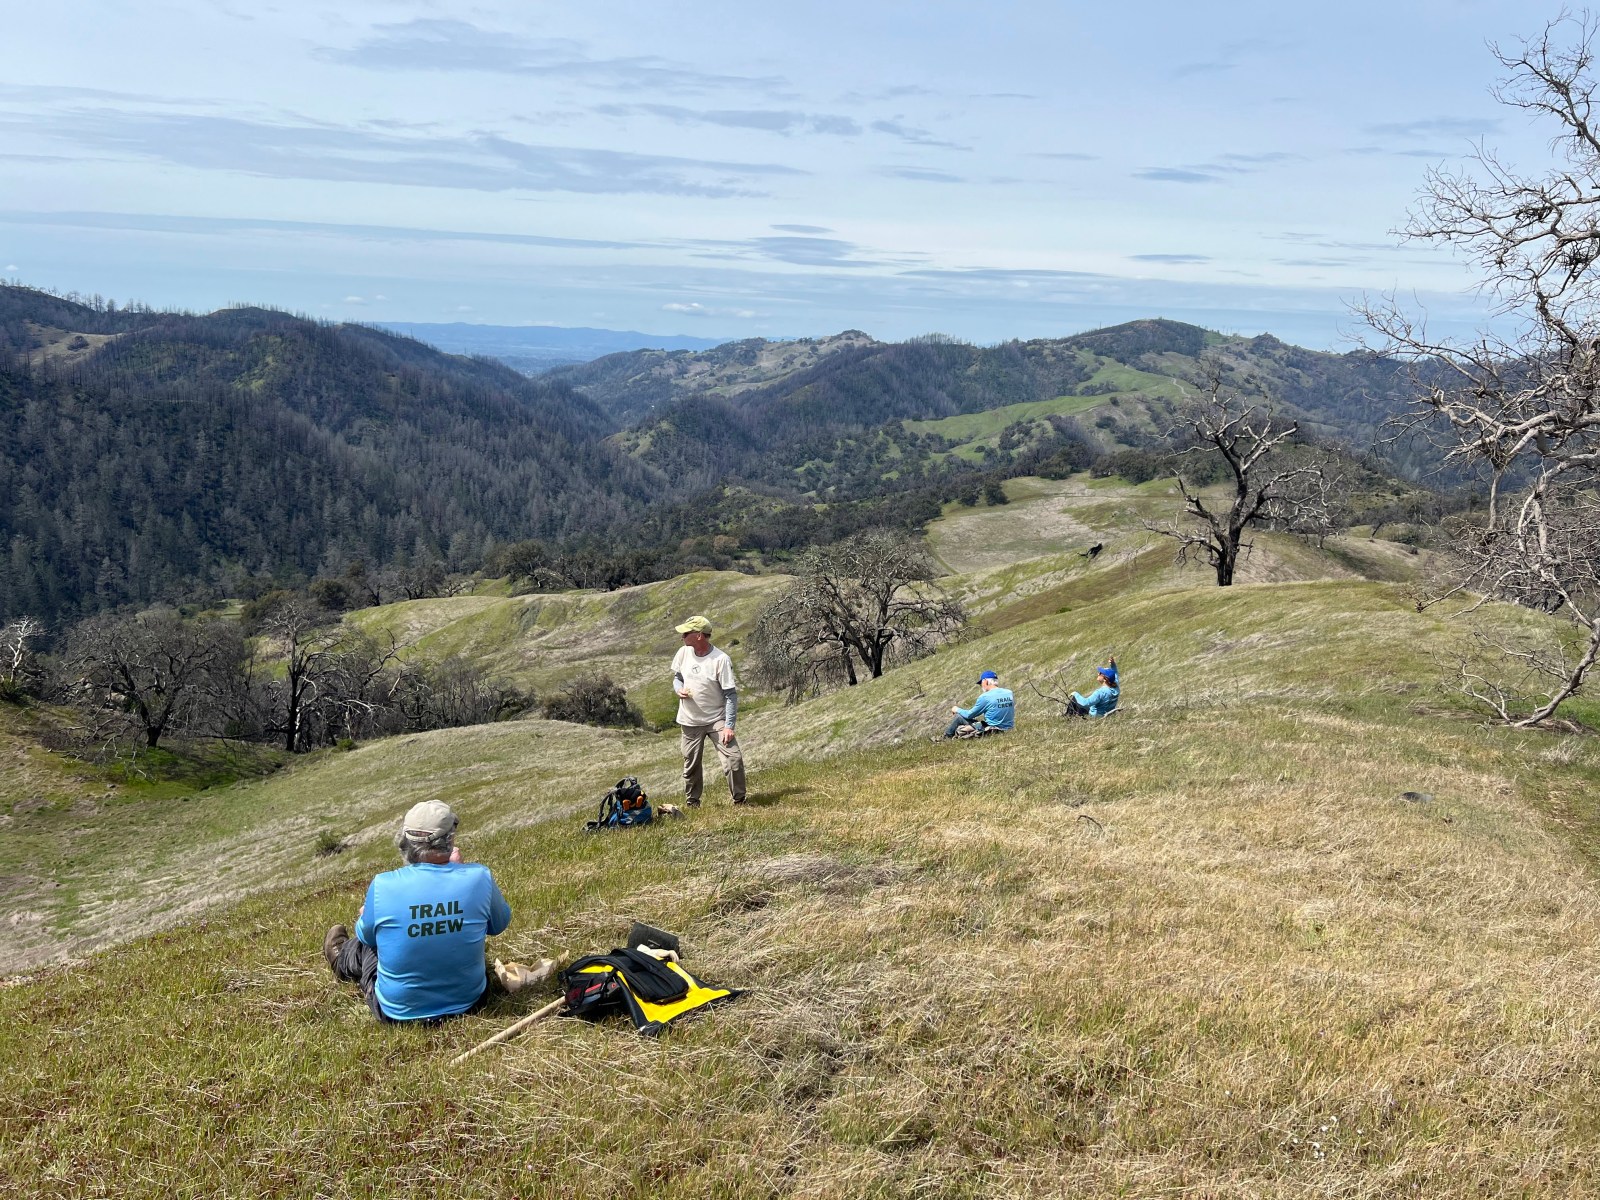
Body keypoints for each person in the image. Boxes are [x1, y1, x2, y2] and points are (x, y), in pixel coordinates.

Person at [322, 800, 527, 1022]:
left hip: (396, 1014)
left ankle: (340, 958)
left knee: (366, 946)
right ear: (450, 839)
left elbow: (367, 936)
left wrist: (372, 916)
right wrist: (458, 873)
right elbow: (499, 924)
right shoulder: (479, 877)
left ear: (406, 840)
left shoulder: (384, 885)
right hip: (470, 1003)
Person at [671, 615, 747, 806]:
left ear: (698, 636)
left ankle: (740, 800)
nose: (682, 637)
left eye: (686, 633)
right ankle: (693, 803)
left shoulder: (720, 659)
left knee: (733, 759)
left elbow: (730, 695)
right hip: (689, 720)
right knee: (691, 766)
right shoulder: (683, 653)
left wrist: (729, 726)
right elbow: (677, 677)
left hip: (716, 719)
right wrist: (678, 688)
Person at [934, 670, 1015, 740]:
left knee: (959, 717)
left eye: (981, 683)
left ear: (986, 681)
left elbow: (969, 715)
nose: (981, 686)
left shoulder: (985, 697)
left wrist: (956, 709)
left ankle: (945, 738)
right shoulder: (1009, 692)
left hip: (992, 730)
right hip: (1009, 728)